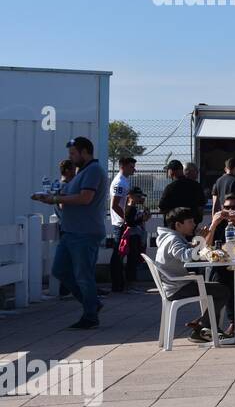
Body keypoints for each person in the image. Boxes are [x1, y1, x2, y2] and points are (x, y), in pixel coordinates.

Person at [31, 137, 109, 329]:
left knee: (83, 274)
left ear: (85, 152)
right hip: (72, 232)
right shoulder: (83, 173)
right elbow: (72, 196)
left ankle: (90, 315)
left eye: (73, 153)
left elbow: (85, 198)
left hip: (85, 232)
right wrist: (50, 197)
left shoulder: (93, 171)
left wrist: (54, 198)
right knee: (60, 270)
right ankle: (91, 304)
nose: (70, 157)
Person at [153, 206, 234, 343]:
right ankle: (204, 327)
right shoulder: (173, 239)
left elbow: (185, 250)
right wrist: (201, 241)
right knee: (223, 290)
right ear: (178, 225)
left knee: (219, 289)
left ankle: (204, 325)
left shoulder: (170, 237)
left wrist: (196, 242)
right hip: (177, 287)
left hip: (173, 285)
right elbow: (187, 257)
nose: (194, 224)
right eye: (190, 222)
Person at [108, 155, 138, 293]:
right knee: (118, 254)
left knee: (123, 253)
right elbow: (115, 205)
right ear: (123, 166)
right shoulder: (120, 182)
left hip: (121, 223)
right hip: (120, 224)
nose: (134, 170)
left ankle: (121, 284)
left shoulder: (124, 181)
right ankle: (117, 284)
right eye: (131, 167)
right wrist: (126, 219)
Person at [114, 187, 151, 292]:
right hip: (132, 237)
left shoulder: (134, 208)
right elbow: (130, 223)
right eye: (138, 196)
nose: (140, 199)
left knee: (134, 261)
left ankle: (131, 284)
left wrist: (143, 216)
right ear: (130, 196)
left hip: (135, 236)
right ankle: (130, 285)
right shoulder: (130, 208)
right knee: (132, 261)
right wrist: (141, 219)